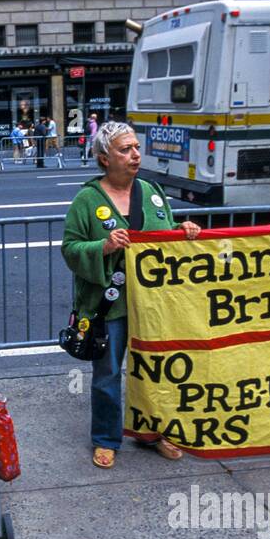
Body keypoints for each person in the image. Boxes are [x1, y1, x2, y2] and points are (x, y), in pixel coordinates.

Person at [62, 122, 201, 469]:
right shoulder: (87, 199)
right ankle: (107, 438)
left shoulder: (152, 191)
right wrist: (103, 246)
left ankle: (154, 432)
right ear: (104, 158)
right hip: (108, 306)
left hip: (152, 303)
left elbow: (166, 237)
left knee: (155, 370)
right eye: (125, 149)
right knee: (108, 373)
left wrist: (183, 231)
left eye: (136, 147)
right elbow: (70, 248)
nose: (135, 154)